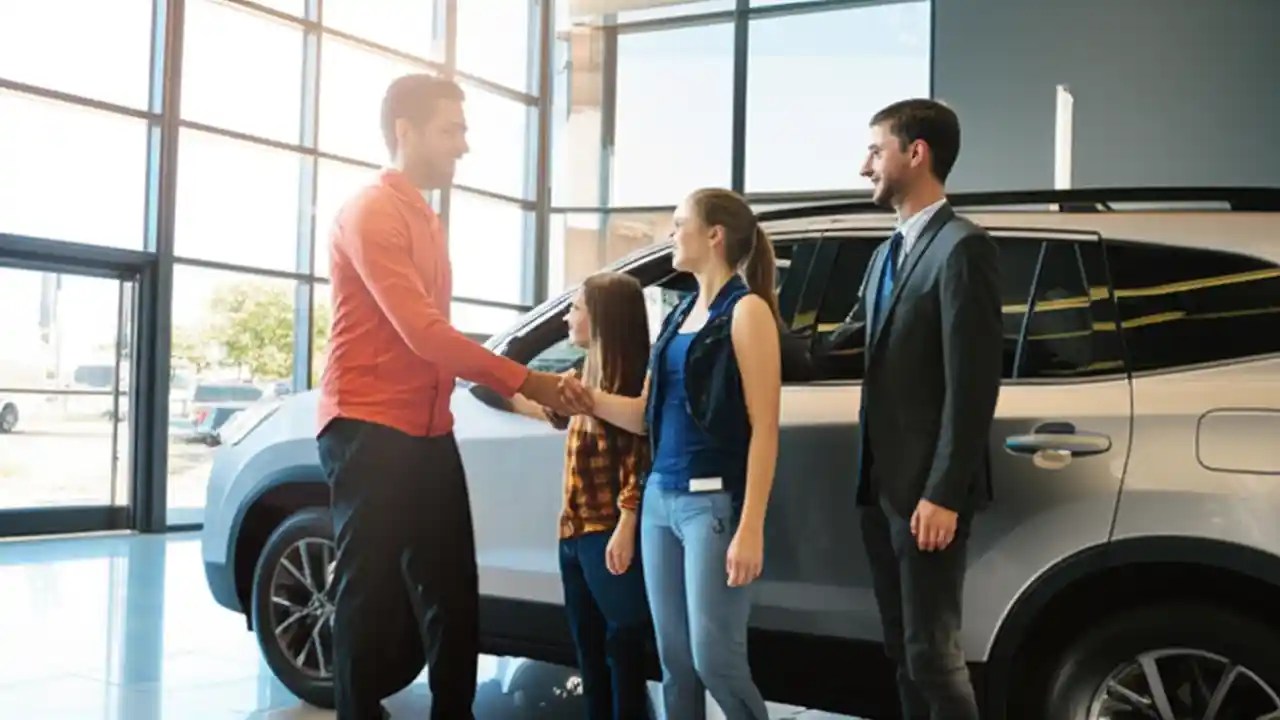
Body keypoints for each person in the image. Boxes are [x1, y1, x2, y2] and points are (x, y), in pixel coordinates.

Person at [316, 73, 590, 720]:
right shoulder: (371, 212)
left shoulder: (423, 218)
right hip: (366, 429)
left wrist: (523, 399)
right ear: (404, 132)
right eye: (451, 130)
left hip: (426, 431)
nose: (462, 146)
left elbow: (437, 344)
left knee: (453, 592)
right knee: (367, 592)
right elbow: (422, 333)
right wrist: (530, 379)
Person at [814, 98, 1002, 719]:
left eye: (875, 150)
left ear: (915, 153)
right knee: (901, 649)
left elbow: (972, 385)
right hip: (882, 488)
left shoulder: (961, 249)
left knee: (932, 654)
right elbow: (842, 346)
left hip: (926, 492)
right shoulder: (885, 255)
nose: (864, 166)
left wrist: (944, 492)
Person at [588, 188, 781, 720]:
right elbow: (645, 415)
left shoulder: (747, 313)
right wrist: (587, 399)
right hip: (659, 504)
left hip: (712, 508)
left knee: (715, 659)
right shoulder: (675, 318)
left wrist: (751, 526)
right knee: (674, 662)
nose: (671, 235)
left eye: (679, 224)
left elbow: (765, 428)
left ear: (714, 235)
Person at [511, 272, 654, 720]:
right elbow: (545, 407)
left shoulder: (635, 386)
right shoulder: (581, 378)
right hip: (573, 532)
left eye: (576, 307)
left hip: (608, 534)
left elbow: (641, 458)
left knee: (622, 650)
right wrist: (497, 376)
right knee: (589, 653)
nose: (568, 317)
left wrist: (627, 524)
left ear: (604, 318)